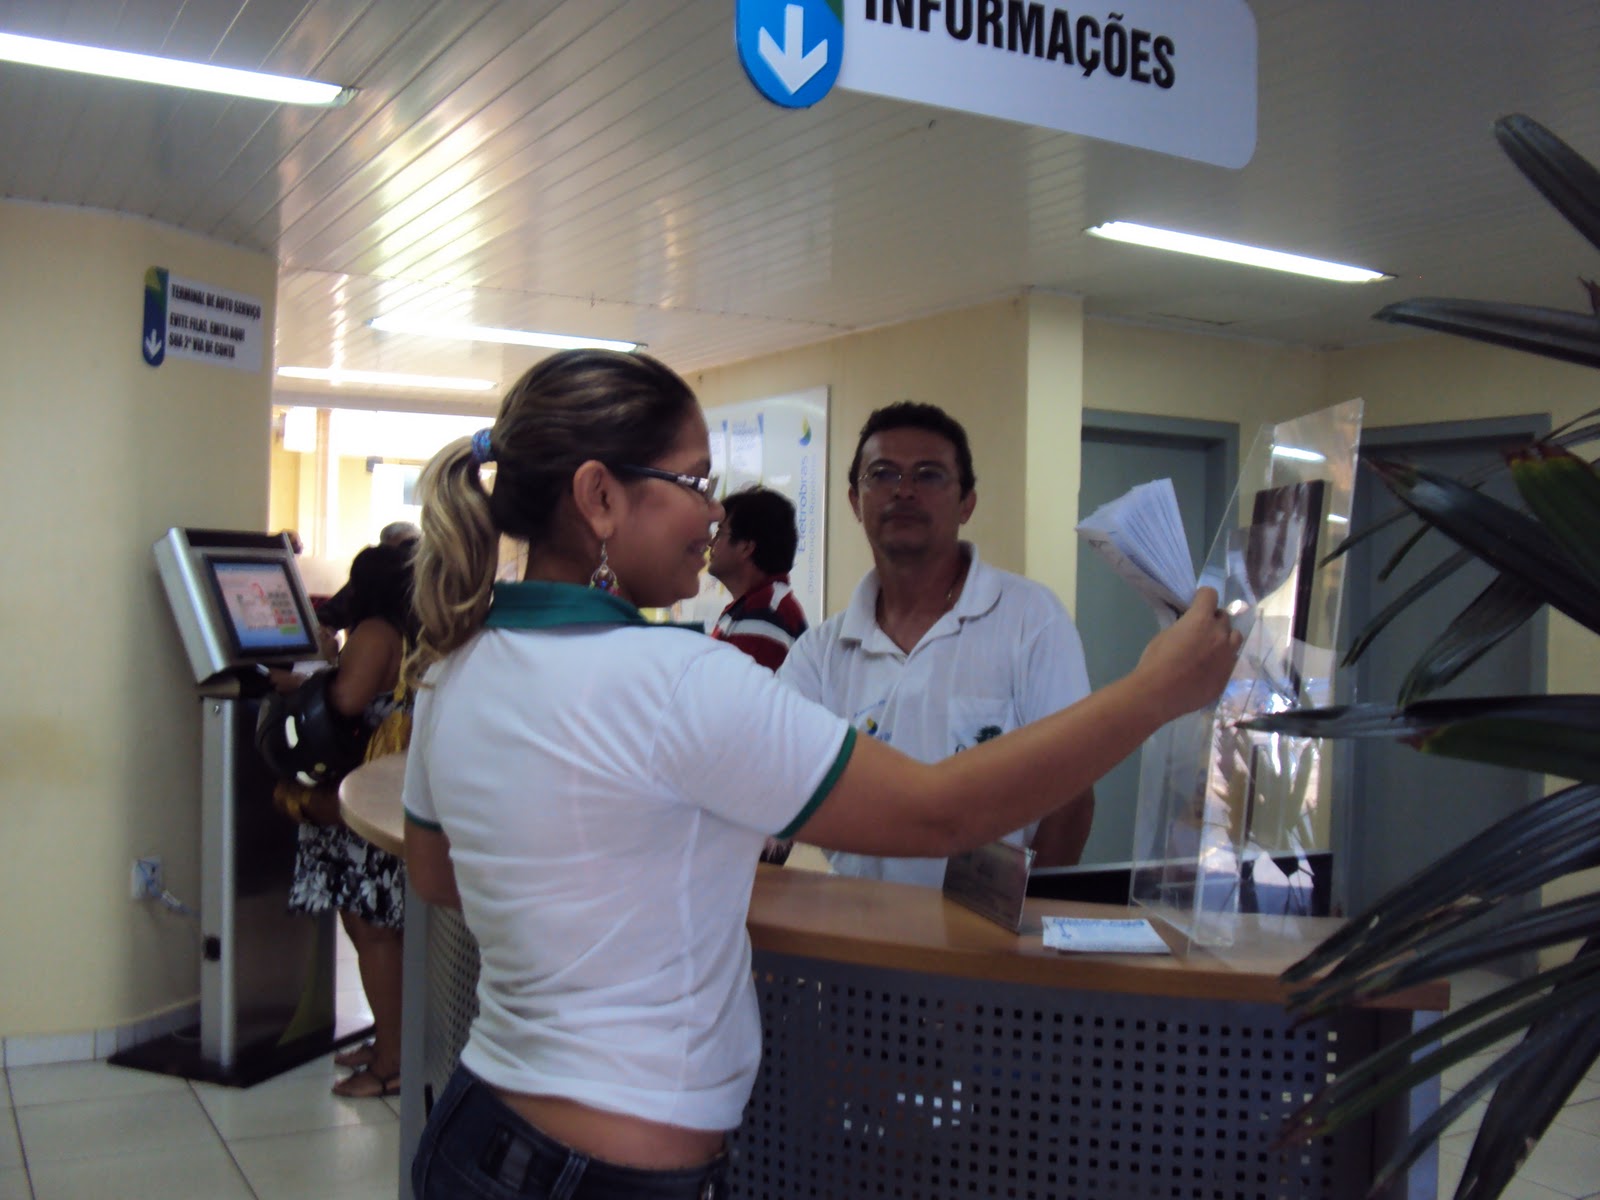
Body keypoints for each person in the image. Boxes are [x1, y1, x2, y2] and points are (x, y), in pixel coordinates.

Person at [400, 348, 1239, 1199]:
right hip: (613, 1174)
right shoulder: (681, 679)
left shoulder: (452, 668)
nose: (714, 513)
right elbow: (938, 815)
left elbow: (437, 874)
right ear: (600, 497)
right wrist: (1155, 692)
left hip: (476, 1132)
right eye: (694, 484)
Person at [777, 401, 1097, 885]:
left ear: (966, 502)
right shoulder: (820, 653)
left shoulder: (1030, 620)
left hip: (985, 944)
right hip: (858, 934)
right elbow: (776, 774)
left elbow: (1071, 794)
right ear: (853, 500)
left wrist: (1023, 931)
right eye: (881, 474)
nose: (904, 491)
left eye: (928, 476)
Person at [278, 541, 415, 1098]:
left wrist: (296, 679)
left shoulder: (375, 632)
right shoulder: (414, 630)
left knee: (373, 931)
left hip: (363, 796)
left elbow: (348, 700)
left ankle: (390, 1063)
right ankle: (389, 1041)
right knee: (380, 931)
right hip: (393, 792)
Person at [706, 486, 808, 671]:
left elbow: (735, 696)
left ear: (746, 547)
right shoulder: (752, 606)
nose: (711, 543)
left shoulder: (767, 612)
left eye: (720, 533)